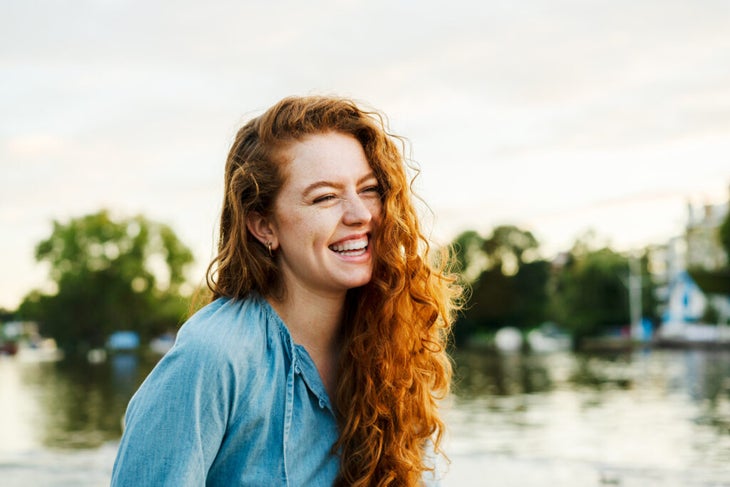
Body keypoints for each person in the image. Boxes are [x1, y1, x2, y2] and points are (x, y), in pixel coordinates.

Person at [111, 95, 461, 486]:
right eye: (325, 197)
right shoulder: (214, 355)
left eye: (369, 189)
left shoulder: (395, 341)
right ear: (264, 226)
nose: (360, 214)